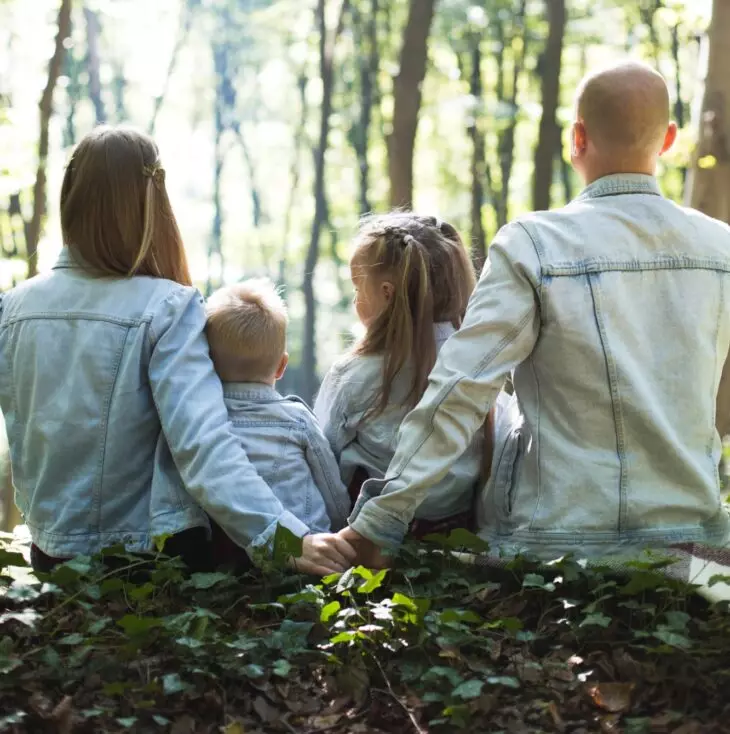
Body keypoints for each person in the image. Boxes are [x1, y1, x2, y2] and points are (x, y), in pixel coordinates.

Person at [338, 60, 730, 564]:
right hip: (691, 548)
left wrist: (379, 521)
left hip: (554, 547)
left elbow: (461, 389)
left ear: (577, 137)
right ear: (670, 139)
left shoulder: (534, 245)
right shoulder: (721, 248)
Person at [0, 126, 355, 575]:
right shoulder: (167, 307)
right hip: (144, 562)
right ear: (151, 203)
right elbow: (203, 445)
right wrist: (284, 540)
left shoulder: (11, 308)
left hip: (50, 556)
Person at [314, 213, 490, 536]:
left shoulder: (354, 374)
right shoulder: (477, 363)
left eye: (357, 289)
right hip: (456, 530)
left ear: (387, 293)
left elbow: (323, 457)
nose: (355, 300)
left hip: (372, 536)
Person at [203, 278, 350, 535]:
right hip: (305, 545)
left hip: (228, 554)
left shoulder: (201, 422)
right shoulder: (297, 420)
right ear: (282, 367)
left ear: (207, 363)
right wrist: (340, 528)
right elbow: (331, 488)